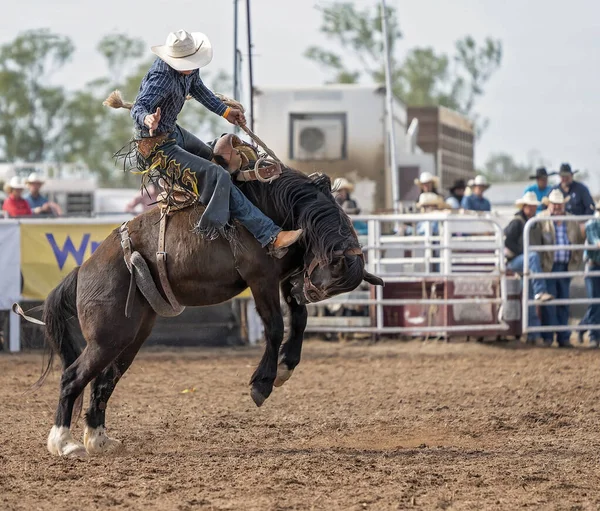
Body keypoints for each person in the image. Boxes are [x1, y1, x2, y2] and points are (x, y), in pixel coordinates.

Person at [130, 29, 301, 256]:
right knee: (216, 173)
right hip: (156, 147)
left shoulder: (189, 72)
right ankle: (269, 235)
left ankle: (232, 202)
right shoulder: (160, 78)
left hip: (172, 132)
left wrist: (226, 112)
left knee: (216, 157)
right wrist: (148, 118)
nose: (191, 66)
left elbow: (200, 90)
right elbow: (138, 107)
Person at [537, 189, 585, 347]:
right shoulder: (541, 219)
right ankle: (549, 337)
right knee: (549, 303)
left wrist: (575, 260)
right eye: (554, 204)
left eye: (559, 204)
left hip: (565, 266)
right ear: (549, 204)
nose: (557, 207)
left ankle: (563, 337)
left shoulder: (571, 219)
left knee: (563, 301)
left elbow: (578, 240)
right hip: (548, 266)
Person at [504, 191, 552, 301]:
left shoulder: (533, 221)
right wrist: (523, 252)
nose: (532, 208)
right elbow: (508, 242)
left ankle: (532, 317)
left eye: (533, 206)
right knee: (533, 257)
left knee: (528, 296)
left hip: (527, 262)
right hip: (514, 261)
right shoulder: (517, 222)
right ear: (524, 207)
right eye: (529, 206)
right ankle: (540, 291)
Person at [582, 202, 600, 347]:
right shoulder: (592, 224)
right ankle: (593, 335)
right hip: (593, 266)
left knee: (596, 303)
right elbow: (597, 242)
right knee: (595, 302)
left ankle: (582, 327)